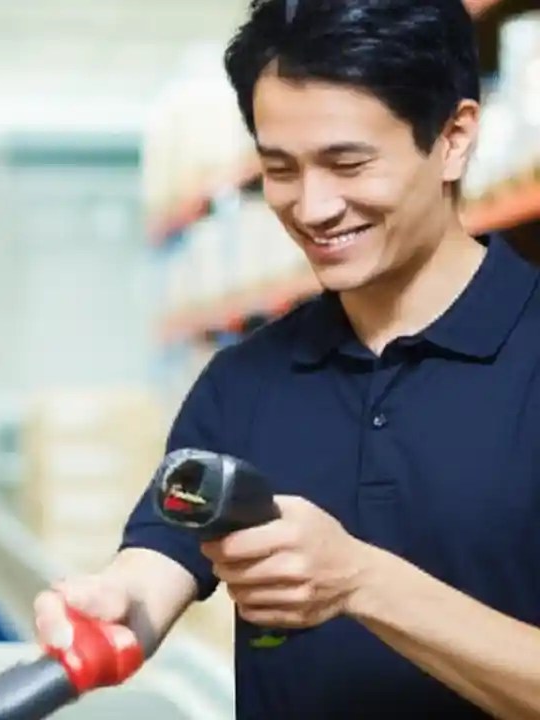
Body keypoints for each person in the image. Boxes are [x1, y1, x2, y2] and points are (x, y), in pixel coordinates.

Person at [33, 1, 540, 718]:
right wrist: (111, 605)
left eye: (347, 163)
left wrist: (362, 581)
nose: (313, 206)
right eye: (280, 169)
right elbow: (159, 561)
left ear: (454, 139)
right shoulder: (243, 383)